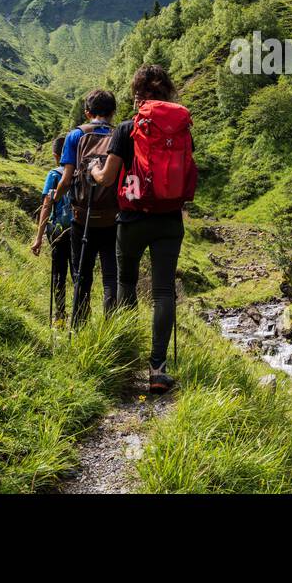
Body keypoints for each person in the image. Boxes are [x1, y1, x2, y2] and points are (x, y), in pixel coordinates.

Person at [91, 64, 197, 394]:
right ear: (167, 94)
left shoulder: (126, 129)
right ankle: (158, 369)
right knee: (164, 291)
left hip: (133, 217)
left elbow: (108, 178)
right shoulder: (181, 130)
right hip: (169, 219)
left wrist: (95, 169)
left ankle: (125, 357)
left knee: (127, 282)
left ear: (137, 95)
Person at [50, 88, 119, 326]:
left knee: (82, 274)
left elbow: (66, 179)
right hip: (113, 218)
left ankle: (79, 326)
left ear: (87, 112)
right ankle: (113, 329)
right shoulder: (120, 135)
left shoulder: (75, 136)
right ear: (113, 112)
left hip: (82, 217)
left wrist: (55, 198)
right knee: (112, 276)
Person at [29, 136, 73, 324]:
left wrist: (38, 238)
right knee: (80, 274)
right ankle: (80, 317)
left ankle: (60, 316)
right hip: (79, 230)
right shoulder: (80, 173)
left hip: (57, 230)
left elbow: (46, 206)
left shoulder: (54, 175)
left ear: (56, 155)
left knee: (59, 274)